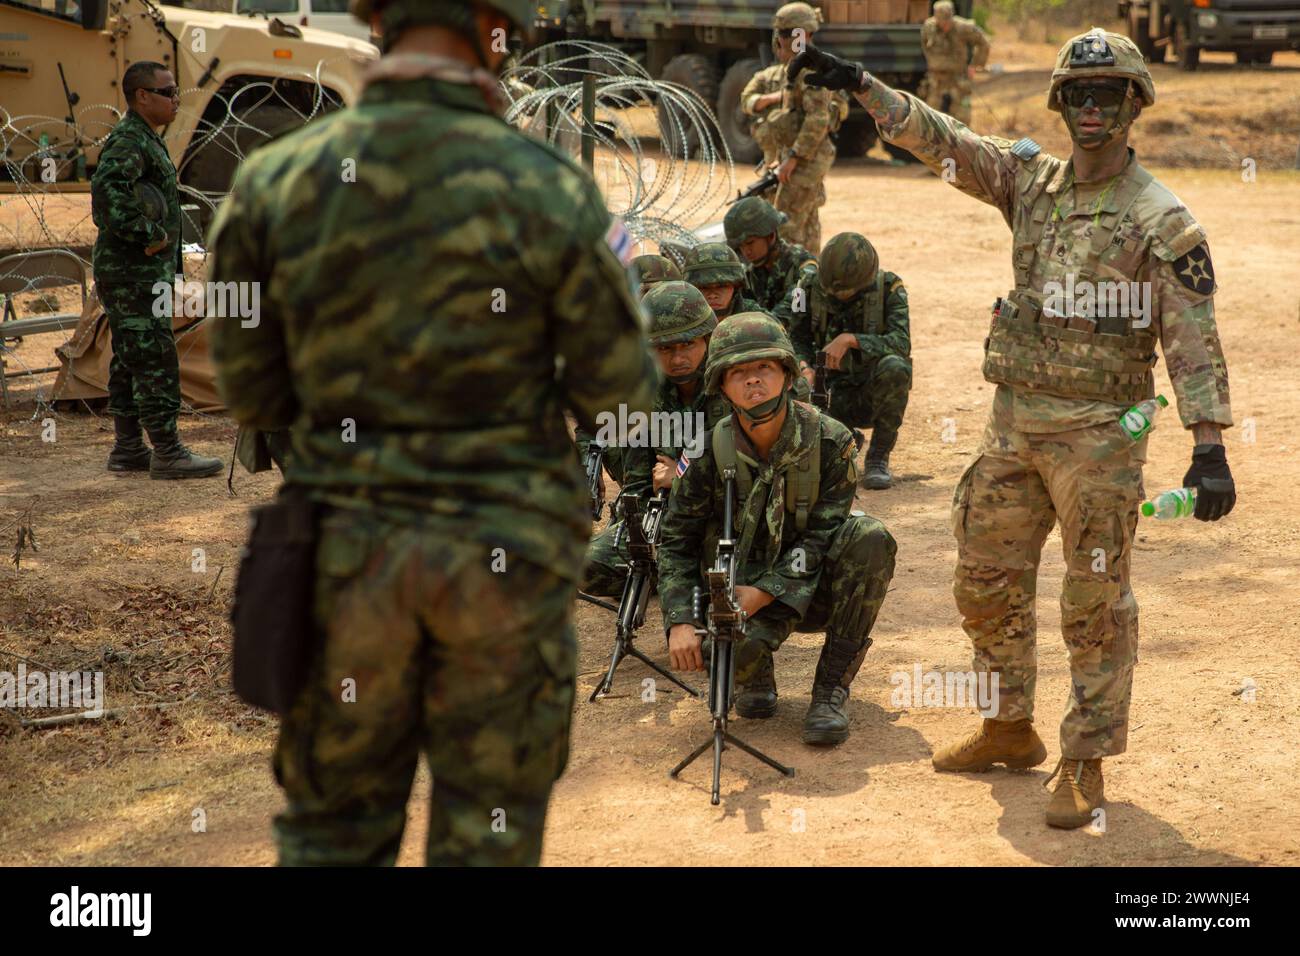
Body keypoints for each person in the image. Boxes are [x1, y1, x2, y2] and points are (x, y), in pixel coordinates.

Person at [208, 0, 658, 865]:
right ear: (496, 29)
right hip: (502, 567)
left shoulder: (278, 179)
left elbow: (249, 389)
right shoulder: (547, 184)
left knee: (332, 834)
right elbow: (620, 393)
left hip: (343, 560)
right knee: (487, 837)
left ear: (375, 20)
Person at [791, 27, 1236, 827]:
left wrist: (1208, 445)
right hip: (1013, 426)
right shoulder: (1032, 183)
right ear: (1061, 103)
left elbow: (1191, 337)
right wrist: (862, 83)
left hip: (1099, 437)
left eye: (1108, 95)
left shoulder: (1160, 219)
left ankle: (1086, 757)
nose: (1091, 109)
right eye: (1078, 94)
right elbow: (944, 141)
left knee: (1094, 600)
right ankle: (1007, 725)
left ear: (1134, 105)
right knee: (983, 580)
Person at [658, 313, 897, 744]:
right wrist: (679, 619)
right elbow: (676, 541)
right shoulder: (705, 450)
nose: (753, 382)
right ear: (721, 386)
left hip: (807, 587)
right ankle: (755, 677)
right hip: (736, 595)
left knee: (870, 538)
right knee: (737, 671)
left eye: (764, 368)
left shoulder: (830, 441)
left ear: (787, 375)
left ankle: (829, 691)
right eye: (739, 373)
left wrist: (765, 592)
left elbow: (823, 535)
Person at [92, 61, 223, 479]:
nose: (175, 99)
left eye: (175, 90)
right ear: (141, 96)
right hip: (133, 272)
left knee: (130, 358)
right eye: (166, 92)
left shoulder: (144, 138)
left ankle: (128, 448)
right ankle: (167, 452)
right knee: (154, 358)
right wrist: (151, 234)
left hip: (139, 271)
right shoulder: (130, 140)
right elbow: (107, 196)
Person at [581, 282, 725, 596]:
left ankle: (683, 577)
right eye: (665, 348)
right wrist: (641, 534)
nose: (678, 358)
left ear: (707, 338)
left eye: (687, 344)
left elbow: (753, 481)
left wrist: (684, 478)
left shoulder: (731, 386)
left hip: (723, 523)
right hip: (666, 520)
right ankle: (670, 574)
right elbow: (639, 485)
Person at [782, 232, 911, 490]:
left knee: (896, 368)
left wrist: (852, 340)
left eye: (846, 291)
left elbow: (901, 342)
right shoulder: (804, 288)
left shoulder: (889, 289)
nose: (838, 296)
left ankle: (877, 457)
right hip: (825, 393)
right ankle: (837, 441)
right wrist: (804, 366)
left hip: (869, 392)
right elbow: (794, 335)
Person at [738, 2, 843, 252]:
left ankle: (796, 286)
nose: (782, 40)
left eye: (788, 34)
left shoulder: (811, 70)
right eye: (781, 34)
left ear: (804, 34)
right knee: (806, 229)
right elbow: (748, 100)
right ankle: (811, 281)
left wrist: (793, 159)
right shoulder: (791, 69)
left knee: (785, 233)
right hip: (793, 159)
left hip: (804, 162)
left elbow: (818, 118)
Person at [723, 196, 817, 314]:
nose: (746, 251)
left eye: (750, 243)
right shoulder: (753, 273)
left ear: (771, 236)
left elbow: (791, 314)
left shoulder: (804, 268)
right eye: (740, 246)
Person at [920, 0, 990, 128]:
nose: (945, 25)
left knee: (961, 122)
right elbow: (925, 45)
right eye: (942, 21)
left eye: (948, 21)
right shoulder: (928, 27)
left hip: (957, 80)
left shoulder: (962, 27)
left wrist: (975, 64)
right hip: (937, 81)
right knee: (932, 122)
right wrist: (934, 63)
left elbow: (984, 42)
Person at [683, 242, 770, 321]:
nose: (712, 295)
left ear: (736, 286)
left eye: (722, 286)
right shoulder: (681, 319)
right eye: (703, 287)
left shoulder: (755, 318)